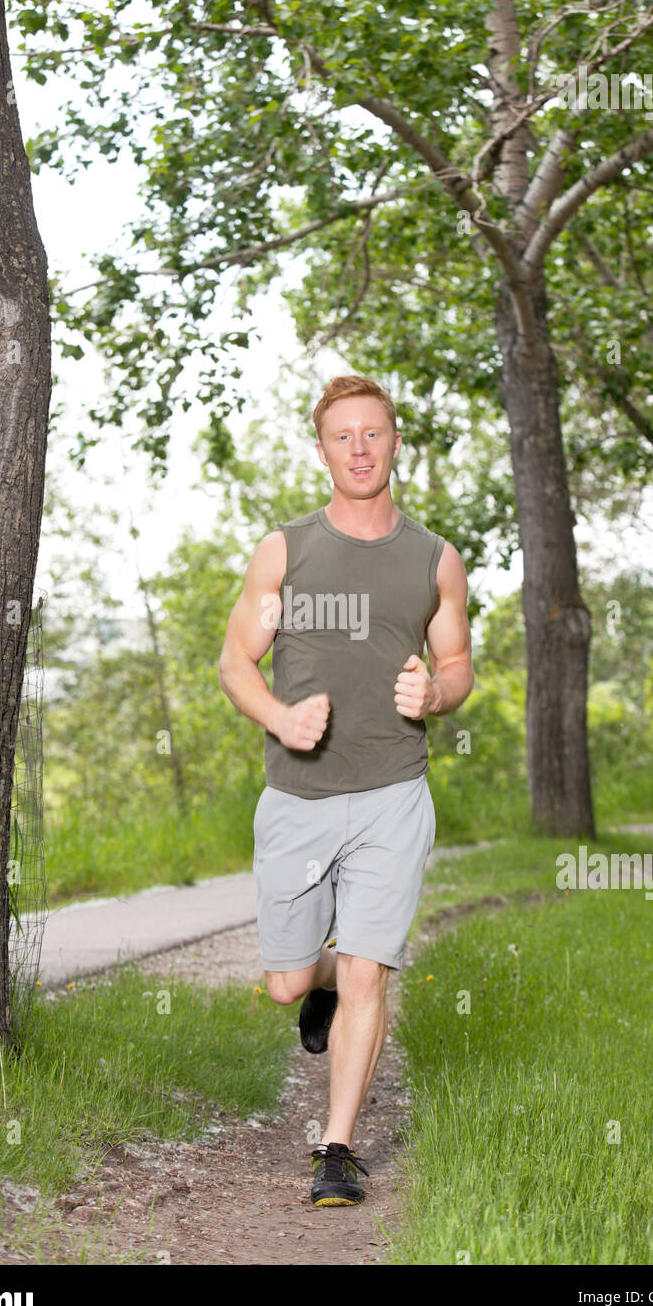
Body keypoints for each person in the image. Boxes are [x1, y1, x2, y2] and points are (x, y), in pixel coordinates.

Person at [218, 374, 474, 1205]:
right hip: (298, 795)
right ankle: (314, 983)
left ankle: (336, 1149)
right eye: (343, 436)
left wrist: (436, 694)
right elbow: (234, 663)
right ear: (322, 449)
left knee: (371, 969)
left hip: (395, 790)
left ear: (397, 442)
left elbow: (460, 661)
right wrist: (280, 719)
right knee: (290, 981)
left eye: (374, 433)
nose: (360, 448)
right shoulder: (284, 550)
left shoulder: (435, 558)